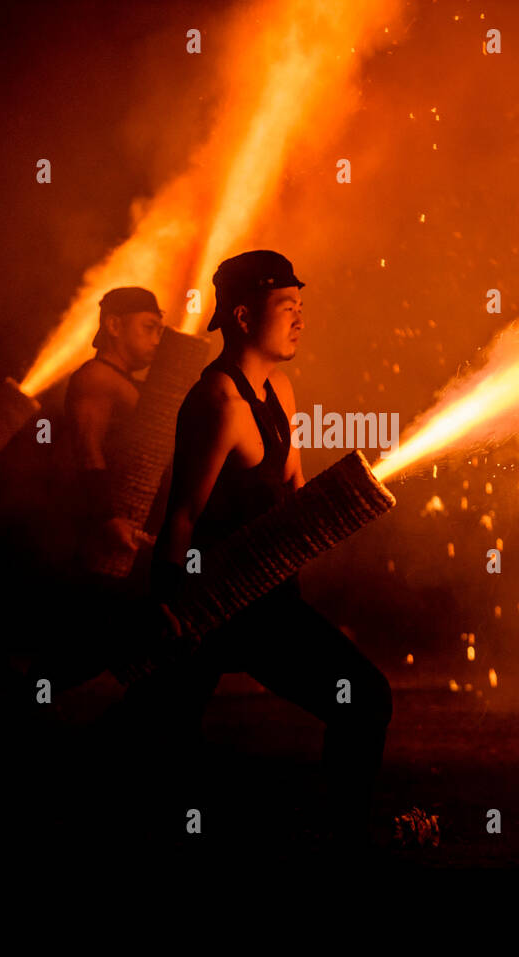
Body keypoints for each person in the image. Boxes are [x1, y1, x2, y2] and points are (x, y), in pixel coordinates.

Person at [148, 250, 393, 850]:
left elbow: (293, 490)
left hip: (269, 598)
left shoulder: (280, 389)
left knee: (155, 731)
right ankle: (347, 844)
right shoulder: (217, 404)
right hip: (216, 609)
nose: (300, 320)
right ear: (240, 315)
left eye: (301, 308)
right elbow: (179, 514)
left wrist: (339, 507)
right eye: (287, 308)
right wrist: (165, 605)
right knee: (364, 698)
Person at [65, 286, 166, 571]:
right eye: (149, 328)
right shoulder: (96, 377)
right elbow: (87, 449)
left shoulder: (121, 380)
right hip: (103, 534)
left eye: (160, 331)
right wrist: (107, 518)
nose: (157, 340)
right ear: (114, 325)